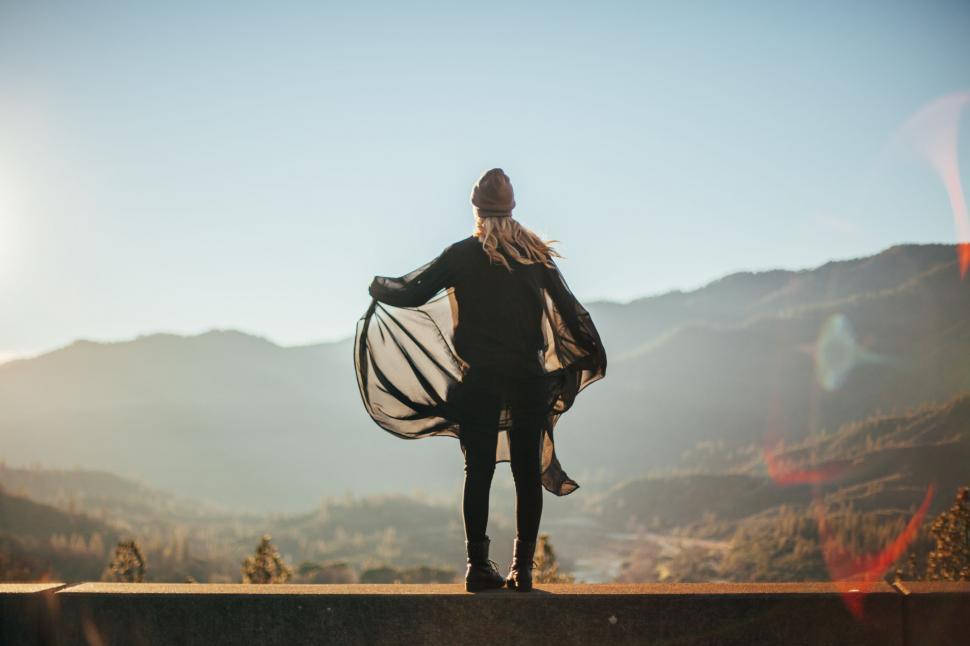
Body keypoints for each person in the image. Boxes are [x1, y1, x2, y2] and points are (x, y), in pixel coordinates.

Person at [354, 168, 606, 592]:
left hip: (478, 384)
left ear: (477, 211)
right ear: (511, 209)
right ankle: (522, 570)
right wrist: (583, 355)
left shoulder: (461, 255)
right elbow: (571, 312)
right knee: (528, 473)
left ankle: (477, 567)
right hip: (528, 381)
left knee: (479, 472)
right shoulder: (535, 257)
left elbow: (411, 292)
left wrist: (377, 287)